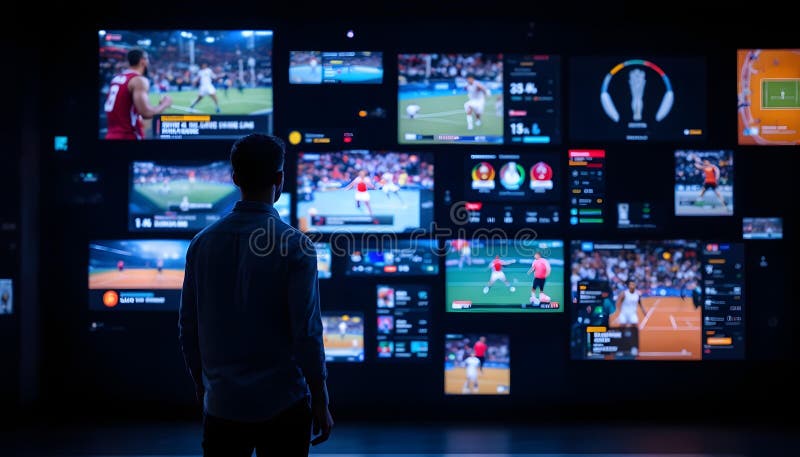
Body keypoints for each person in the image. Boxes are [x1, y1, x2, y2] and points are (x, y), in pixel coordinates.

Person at [179, 134, 333, 457]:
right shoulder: (296, 245)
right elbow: (306, 334)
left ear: (234, 177)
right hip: (284, 405)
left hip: (222, 404)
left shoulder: (201, 244)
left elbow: (188, 327)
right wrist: (320, 397)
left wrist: (200, 383)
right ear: (279, 179)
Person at [103, 48, 173, 140]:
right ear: (142, 61)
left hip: (110, 135)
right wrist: (165, 104)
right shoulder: (138, 80)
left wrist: (157, 106)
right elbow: (146, 113)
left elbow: (127, 109)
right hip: (128, 135)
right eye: (147, 59)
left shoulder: (116, 78)